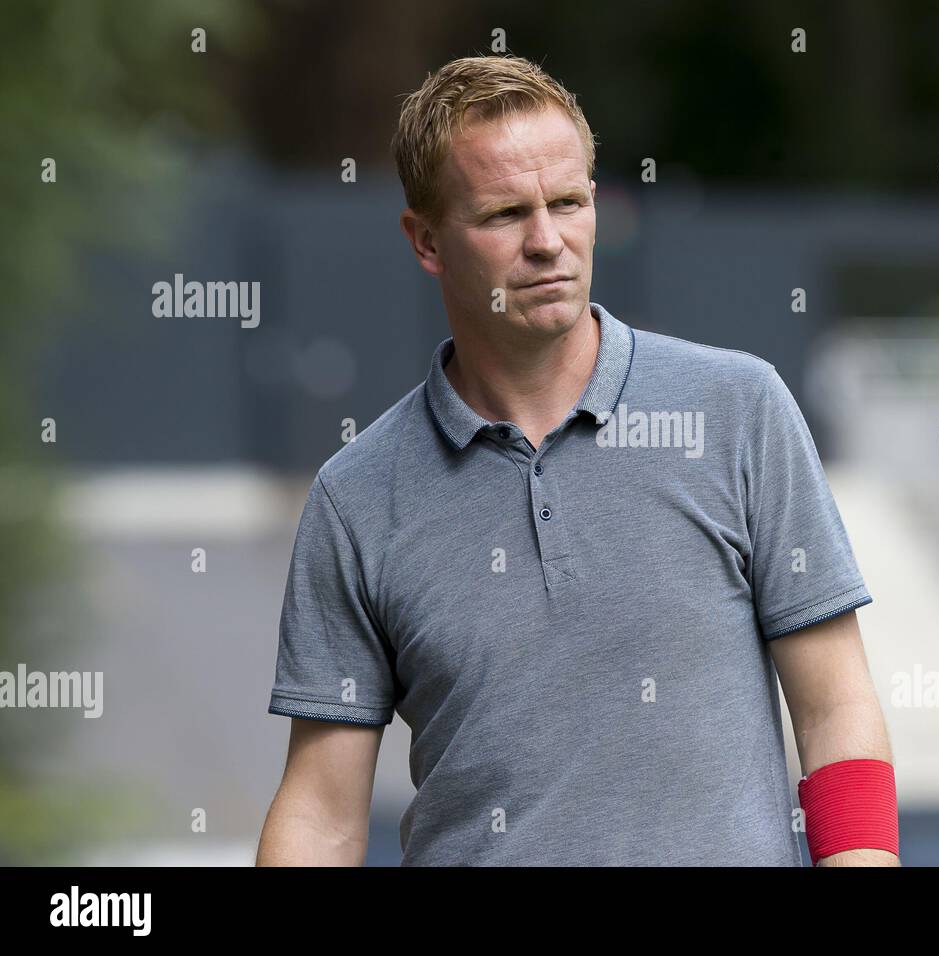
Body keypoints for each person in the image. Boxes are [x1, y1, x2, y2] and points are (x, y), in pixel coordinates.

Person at [255, 54, 899, 867]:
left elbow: (836, 706)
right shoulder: (356, 500)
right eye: (504, 214)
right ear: (426, 240)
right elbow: (321, 810)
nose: (547, 242)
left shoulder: (738, 408)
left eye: (568, 202)